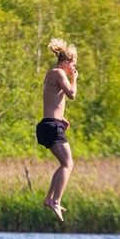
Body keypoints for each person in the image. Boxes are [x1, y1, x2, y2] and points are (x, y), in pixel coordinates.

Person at [38, 38, 79, 221]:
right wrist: (74, 79)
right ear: (66, 62)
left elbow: (50, 100)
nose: (74, 69)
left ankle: (49, 199)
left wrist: (61, 118)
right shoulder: (60, 74)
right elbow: (71, 94)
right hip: (52, 127)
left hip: (48, 124)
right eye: (73, 65)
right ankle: (55, 200)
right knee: (68, 164)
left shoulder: (50, 74)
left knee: (64, 164)